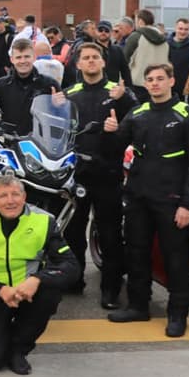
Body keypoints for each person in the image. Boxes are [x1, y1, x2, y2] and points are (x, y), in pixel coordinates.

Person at [104, 63, 189, 337]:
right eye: (150, 79)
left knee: (175, 257)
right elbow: (115, 147)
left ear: (172, 81)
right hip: (139, 195)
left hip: (172, 199)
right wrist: (111, 130)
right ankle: (139, 306)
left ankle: (178, 315)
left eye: (160, 79)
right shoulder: (137, 113)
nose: (154, 84)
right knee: (137, 252)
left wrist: (188, 204)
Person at [0, 173, 79, 374]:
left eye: (15, 194)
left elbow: (71, 266)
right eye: (3, 196)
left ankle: (19, 349)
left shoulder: (44, 221)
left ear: (24, 197)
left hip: (27, 293)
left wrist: (37, 279)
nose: (10, 201)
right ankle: (1, 334)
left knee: (50, 291)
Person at [61, 43, 135, 307]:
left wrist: (123, 104)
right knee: (73, 232)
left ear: (103, 63)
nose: (91, 62)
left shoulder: (118, 92)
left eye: (95, 58)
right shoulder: (69, 94)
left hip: (109, 172)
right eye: (86, 58)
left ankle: (110, 290)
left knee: (110, 235)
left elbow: (136, 123)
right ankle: (74, 280)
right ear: (78, 64)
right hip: (77, 174)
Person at [0, 38, 61, 135]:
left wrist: (58, 106)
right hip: (9, 142)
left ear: (34, 57)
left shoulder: (49, 85)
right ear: (12, 59)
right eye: (18, 57)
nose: (23, 61)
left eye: (27, 56)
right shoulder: (0, 85)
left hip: (40, 144)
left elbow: (62, 119)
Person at [123, 11, 168, 102]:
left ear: (140, 21)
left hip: (138, 84)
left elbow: (125, 60)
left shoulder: (136, 37)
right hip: (160, 83)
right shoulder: (164, 40)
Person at [167, 18, 189, 101]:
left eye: (186, 29)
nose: (183, 32)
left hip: (184, 87)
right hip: (167, 84)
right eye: (180, 29)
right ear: (175, 28)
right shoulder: (165, 44)